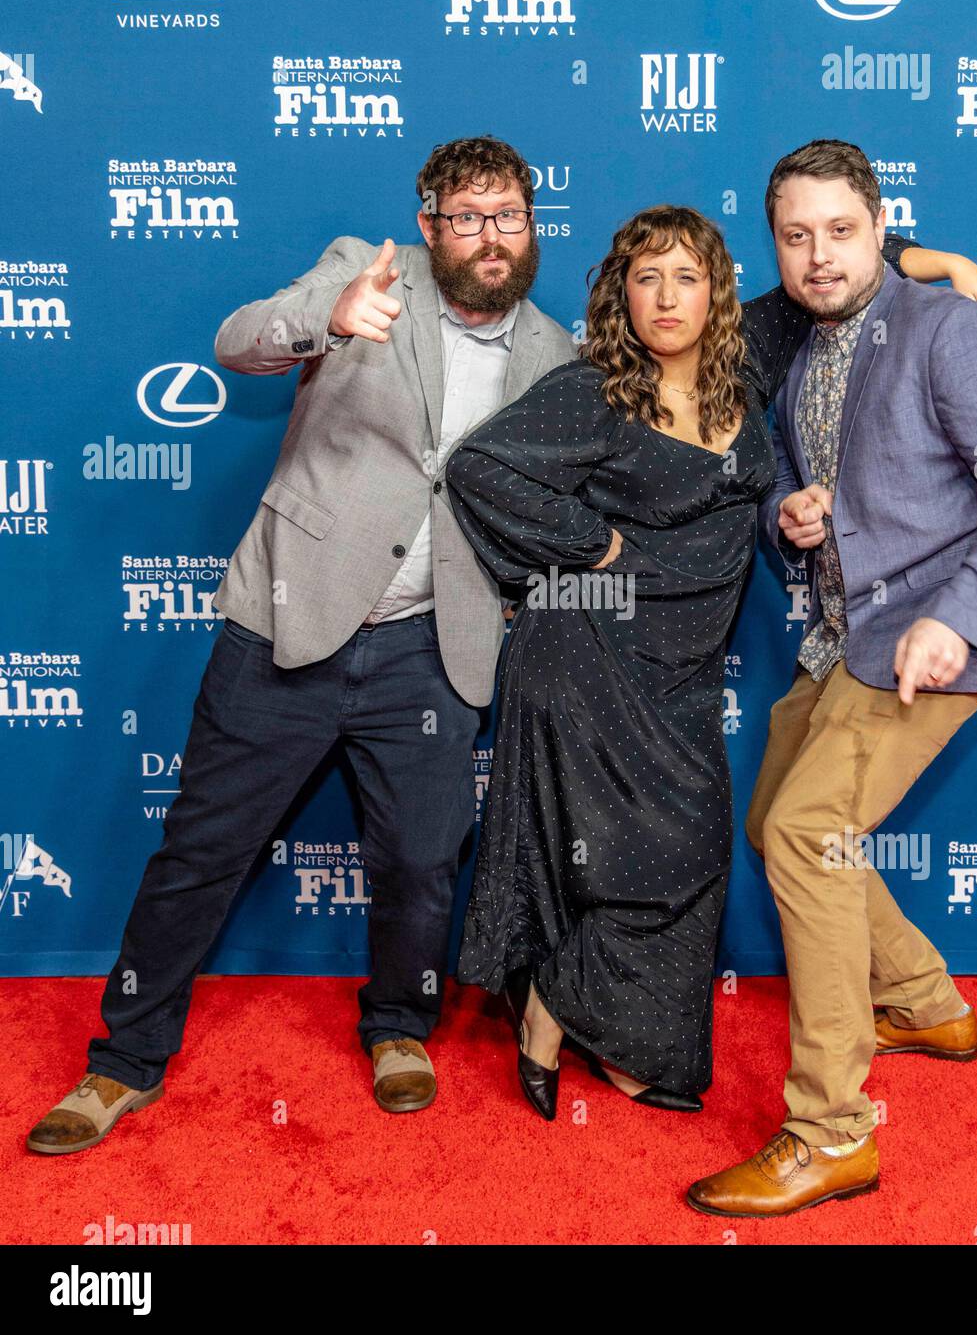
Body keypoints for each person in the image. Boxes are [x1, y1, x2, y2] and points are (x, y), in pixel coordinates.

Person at [26, 136, 575, 1154]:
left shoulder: (556, 354)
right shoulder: (360, 273)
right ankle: (122, 1060)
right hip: (287, 622)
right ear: (429, 225)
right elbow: (237, 341)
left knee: (419, 860)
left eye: (508, 215)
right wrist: (320, 319)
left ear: (532, 225)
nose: (488, 236)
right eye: (466, 216)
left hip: (432, 650)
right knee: (200, 851)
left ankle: (400, 1026)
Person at [686, 139, 977, 1218]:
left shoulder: (944, 328)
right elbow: (821, 505)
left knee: (807, 831)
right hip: (841, 636)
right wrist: (785, 519)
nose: (818, 256)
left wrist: (957, 616)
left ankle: (830, 1132)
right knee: (775, 821)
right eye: (795, 238)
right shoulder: (802, 352)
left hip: (929, 643)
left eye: (840, 232)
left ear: (879, 227)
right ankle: (922, 998)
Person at [445, 205, 777, 1117]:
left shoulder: (746, 369)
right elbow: (480, 468)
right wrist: (589, 547)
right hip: (584, 653)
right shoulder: (595, 391)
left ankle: (578, 1015)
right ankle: (570, 1023)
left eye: (687, 277)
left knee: (685, 845)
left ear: (717, 291)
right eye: (646, 277)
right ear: (619, 294)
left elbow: (830, 277)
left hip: (682, 665)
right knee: (596, 854)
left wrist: (935, 259)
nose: (668, 298)